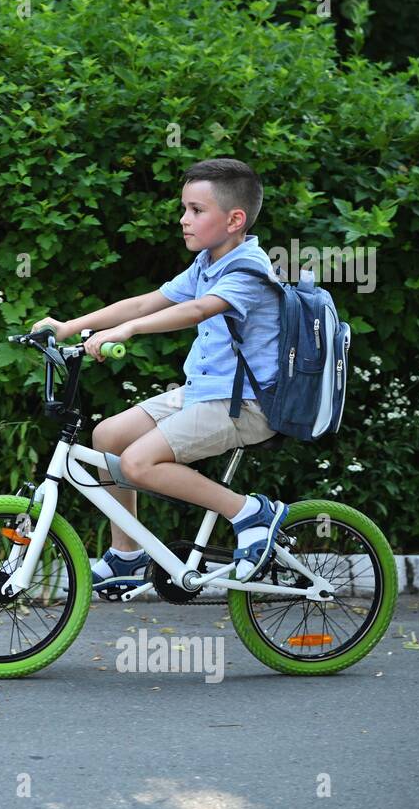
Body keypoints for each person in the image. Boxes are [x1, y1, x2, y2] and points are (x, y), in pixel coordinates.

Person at [30, 157, 288, 587]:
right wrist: (69, 326)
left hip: (244, 402)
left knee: (136, 463)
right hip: (205, 393)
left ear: (234, 219)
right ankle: (127, 556)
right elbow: (147, 302)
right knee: (108, 437)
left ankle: (249, 511)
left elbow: (199, 309)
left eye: (196, 210)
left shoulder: (249, 269)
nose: (184, 219)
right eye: (184, 208)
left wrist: (127, 330)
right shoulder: (208, 263)